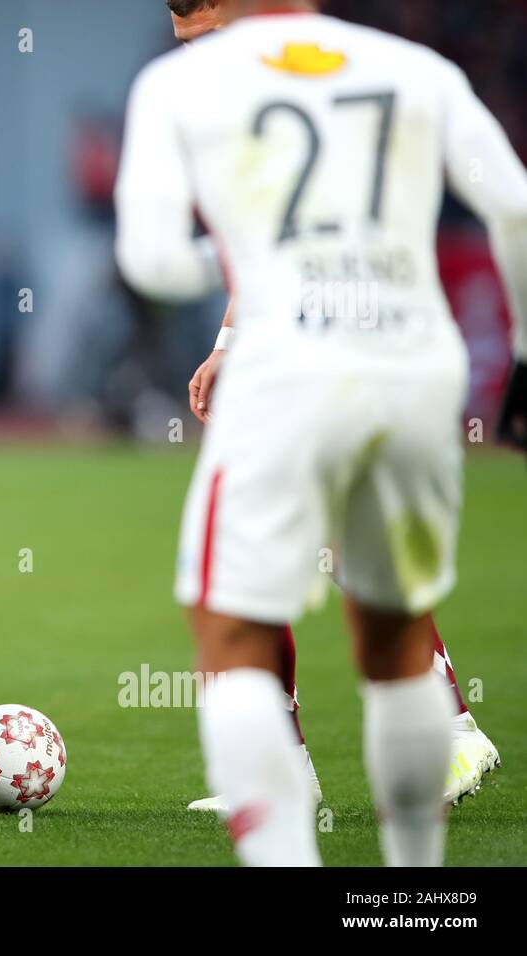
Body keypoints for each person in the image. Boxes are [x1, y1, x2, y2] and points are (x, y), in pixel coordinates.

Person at [117, 0, 527, 864]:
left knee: (228, 627)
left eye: (206, 31)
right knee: (391, 624)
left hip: (294, 367)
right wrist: (524, 358)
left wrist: (253, 274)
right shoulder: (414, 70)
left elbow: (152, 260)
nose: (202, 53)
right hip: (415, 364)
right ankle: (416, 873)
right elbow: (517, 208)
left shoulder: (178, 88)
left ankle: (287, 826)